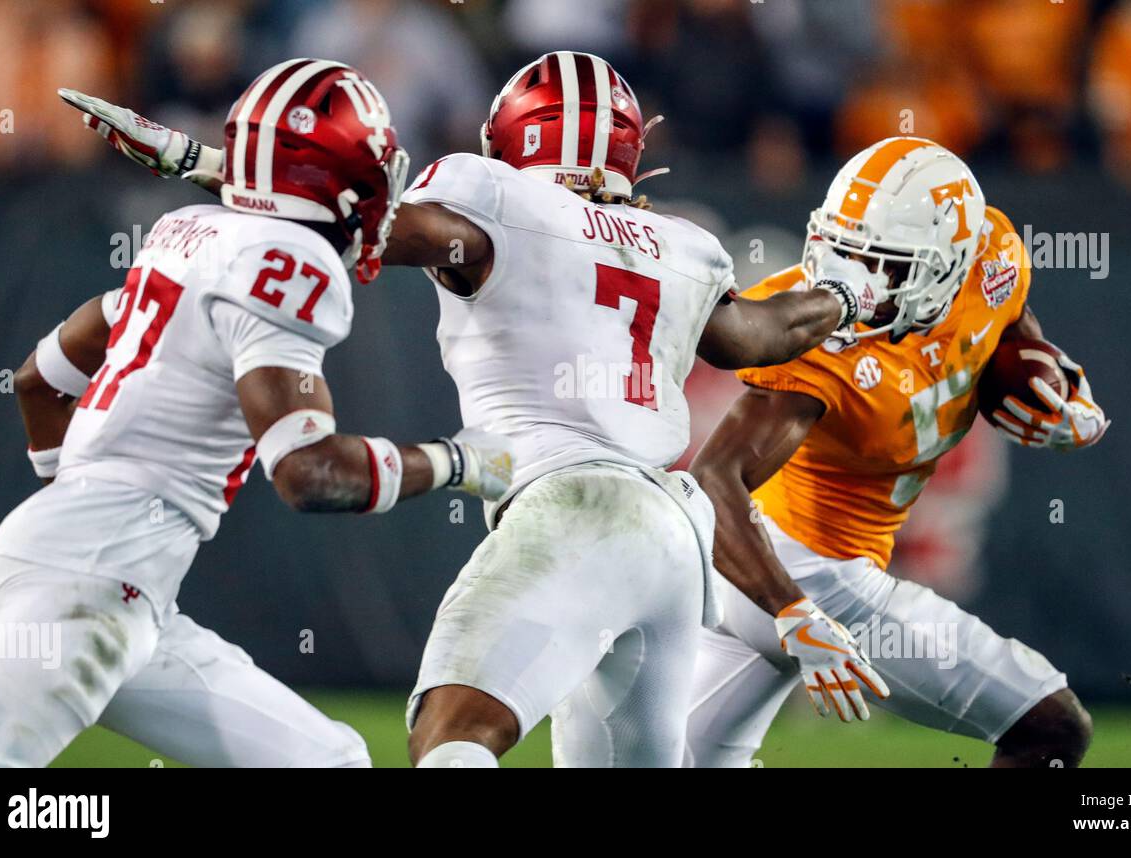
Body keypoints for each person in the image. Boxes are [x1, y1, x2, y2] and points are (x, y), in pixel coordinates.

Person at [66, 51, 892, 767]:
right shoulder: (684, 246)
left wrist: (209, 164)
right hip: (674, 541)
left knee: (451, 737)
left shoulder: (494, 197)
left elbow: (359, 217)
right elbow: (758, 336)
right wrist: (850, 296)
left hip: (571, 505)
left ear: (512, 138)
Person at [0, 60, 512, 768]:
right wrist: (460, 462)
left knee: (330, 762)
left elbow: (40, 380)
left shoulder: (186, 232)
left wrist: (71, 497)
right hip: (94, 575)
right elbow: (310, 474)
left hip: (109, 575)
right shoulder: (290, 261)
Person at [686, 136, 1108, 768]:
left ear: (948, 267)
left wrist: (1058, 387)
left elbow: (1010, 328)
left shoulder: (989, 256)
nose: (858, 280)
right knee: (1051, 728)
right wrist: (793, 612)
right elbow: (714, 480)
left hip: (770, 579)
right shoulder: (819, 336)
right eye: (846, 251)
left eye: (886, 265)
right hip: (800, 574)